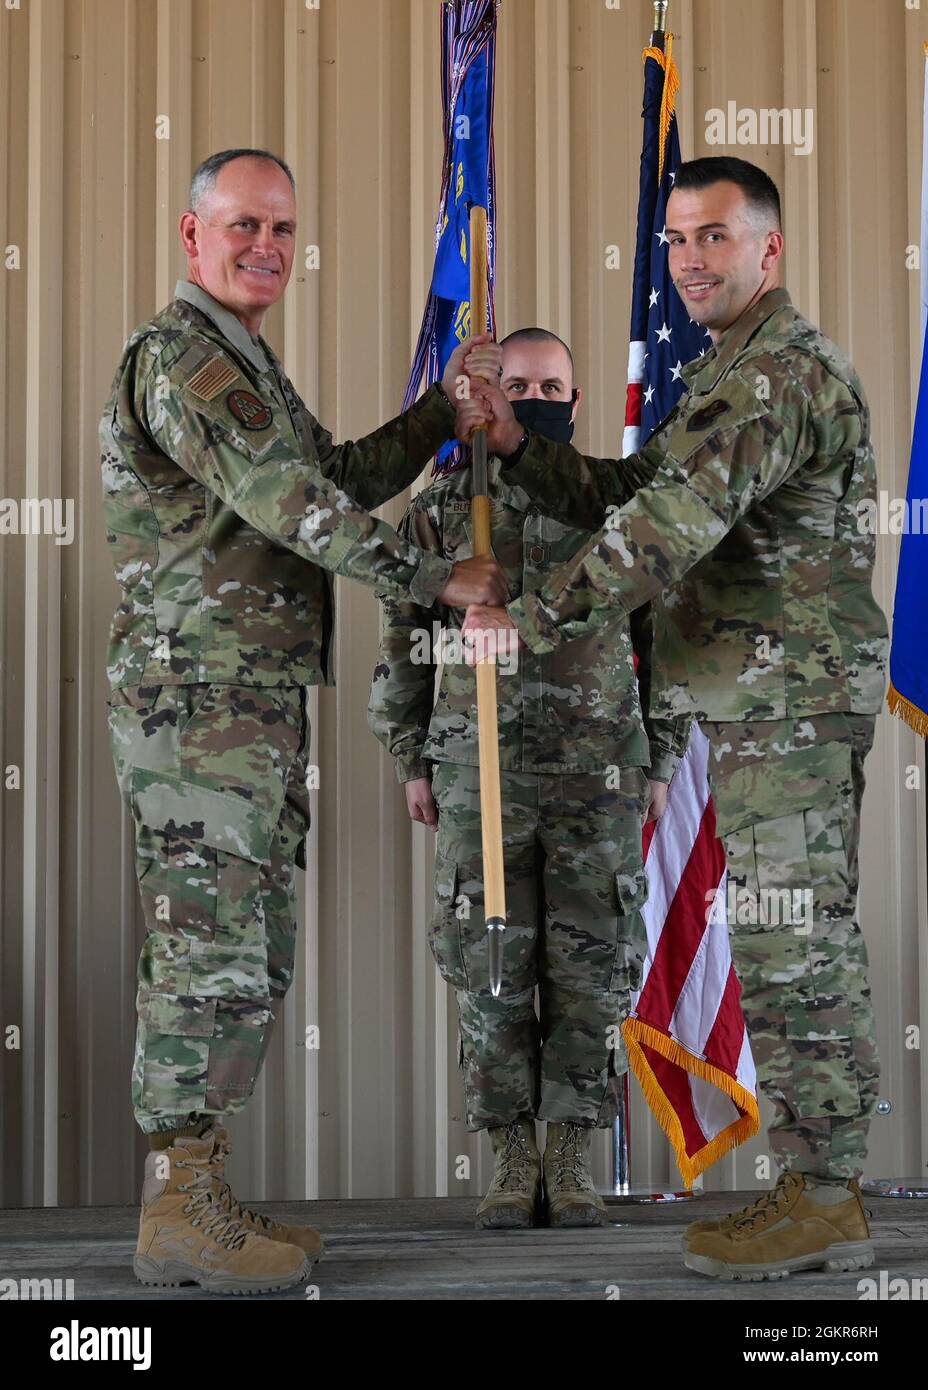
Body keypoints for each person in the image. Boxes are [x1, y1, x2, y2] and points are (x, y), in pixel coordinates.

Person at [455, 157, 888, 1281]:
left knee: (797, 938)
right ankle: (811, 1184)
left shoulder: (778, 376)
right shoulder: (722, 371)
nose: (690, 260)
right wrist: (517, 455)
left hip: (791, 699)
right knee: (778, 933)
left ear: (767, 250)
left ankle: (828, 1192)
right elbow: (633, 488)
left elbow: (663, 530)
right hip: (754, 698)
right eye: (677, 240)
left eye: (714, 238)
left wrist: (531, 614)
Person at [100, 146, 506, 1295]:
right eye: (242, 226)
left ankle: (200, 1184)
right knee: (208, 948)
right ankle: (177, 1204)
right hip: (199, 706)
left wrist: (437, 411)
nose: (264, 248)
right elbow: (293, 505)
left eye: (281, 229)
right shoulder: (184, 356)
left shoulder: (248, 362)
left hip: (247, 704)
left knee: (248, 947)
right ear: (192, 238)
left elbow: (324, 468)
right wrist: (435, 580)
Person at [369, 328, 688, 1229]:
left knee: (591, 965)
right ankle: (511, 1155)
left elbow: (666, 646)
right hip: (479, 772)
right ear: (487, 395)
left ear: (577, 401)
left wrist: (659, 760)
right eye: (517, 383)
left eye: (552, 383)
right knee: (492, 964)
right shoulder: (442, 511)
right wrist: (411, 757)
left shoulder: (614, 509)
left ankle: (571, 1151)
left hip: (599, 774)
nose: (535, 394)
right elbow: (402, 640)